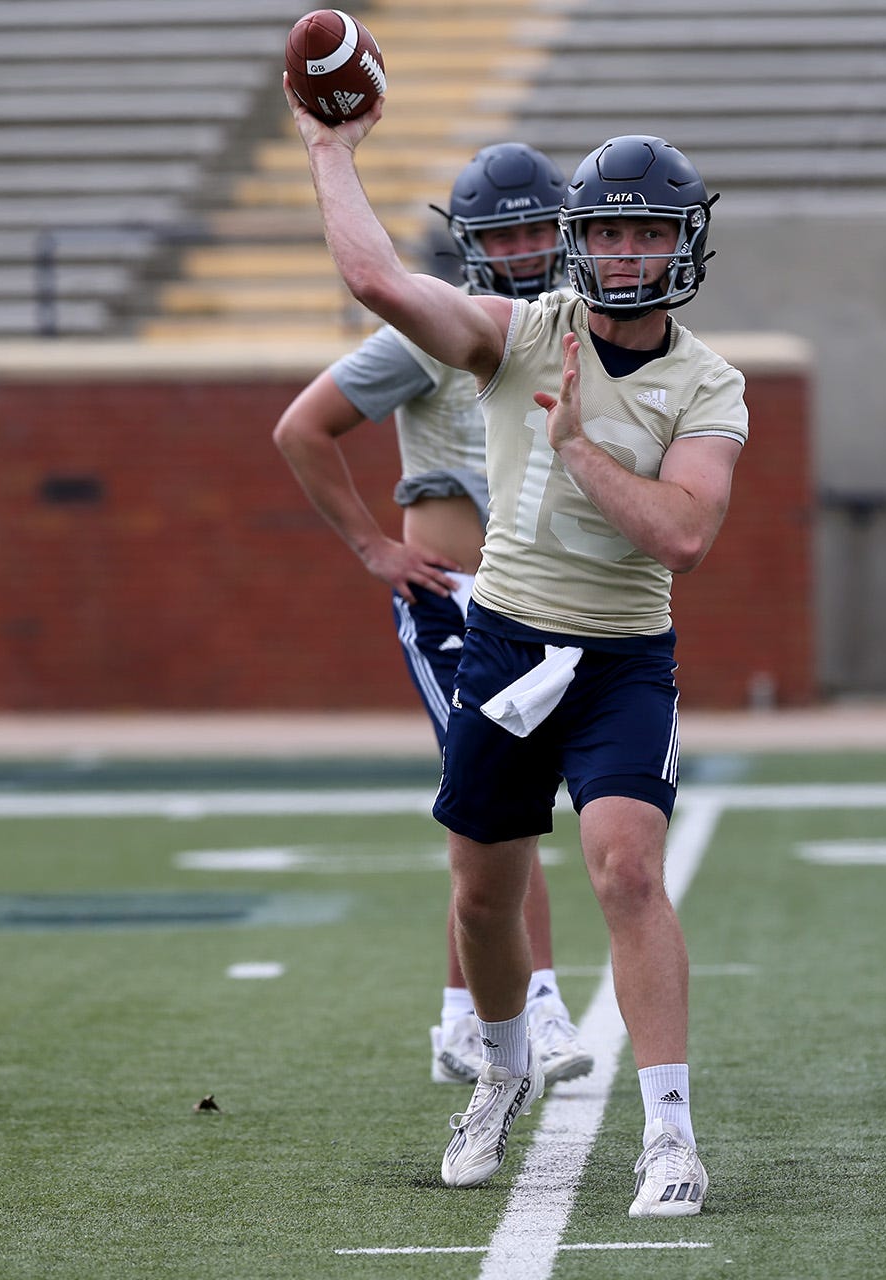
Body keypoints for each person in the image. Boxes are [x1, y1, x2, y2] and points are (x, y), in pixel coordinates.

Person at [287, 82, 744, 1217]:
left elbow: (683, 535)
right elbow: (376, 282)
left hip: (623, 656)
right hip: (502, 643)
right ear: (580, 243)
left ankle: (673, 1134)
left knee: (627, 867)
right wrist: (327, 147)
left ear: (683, 242)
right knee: (484, 898)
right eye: (611, 231)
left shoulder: (709, 382)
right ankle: (501, 1066)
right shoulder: (524, 330)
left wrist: (580, 449)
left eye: (648, 230)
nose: (628, 253)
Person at [273, 144, 594, 1093]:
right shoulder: (433, 332)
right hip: (452, 599)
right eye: (507, 234)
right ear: (470, 246)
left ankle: (460, 1020)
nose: (529, 249)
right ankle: (535, 998)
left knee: (487, 815)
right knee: (505, 795)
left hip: (539, 597)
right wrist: (375, 547)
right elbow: (303, 428)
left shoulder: (576, 327)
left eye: (541, 227)